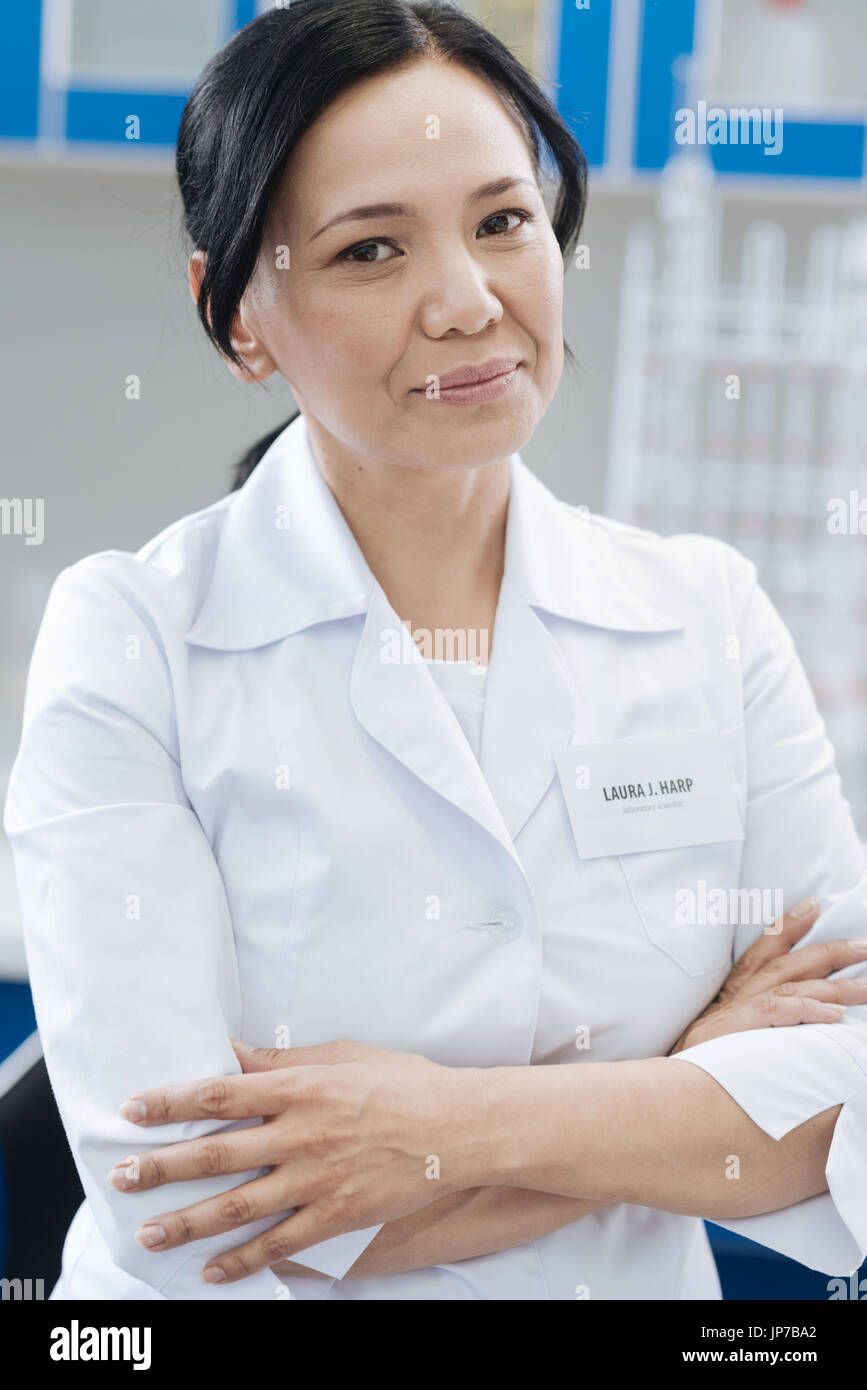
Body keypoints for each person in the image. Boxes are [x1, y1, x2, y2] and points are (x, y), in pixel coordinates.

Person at [5, 0, 867, 1302]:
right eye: (369, 249)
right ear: (239, 317)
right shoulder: (133, 641)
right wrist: (681, 1093)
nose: (468, 302)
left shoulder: (709, 614)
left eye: (503, 222)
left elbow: (844, 1116)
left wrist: (438, 1126)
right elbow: (191, 1208)